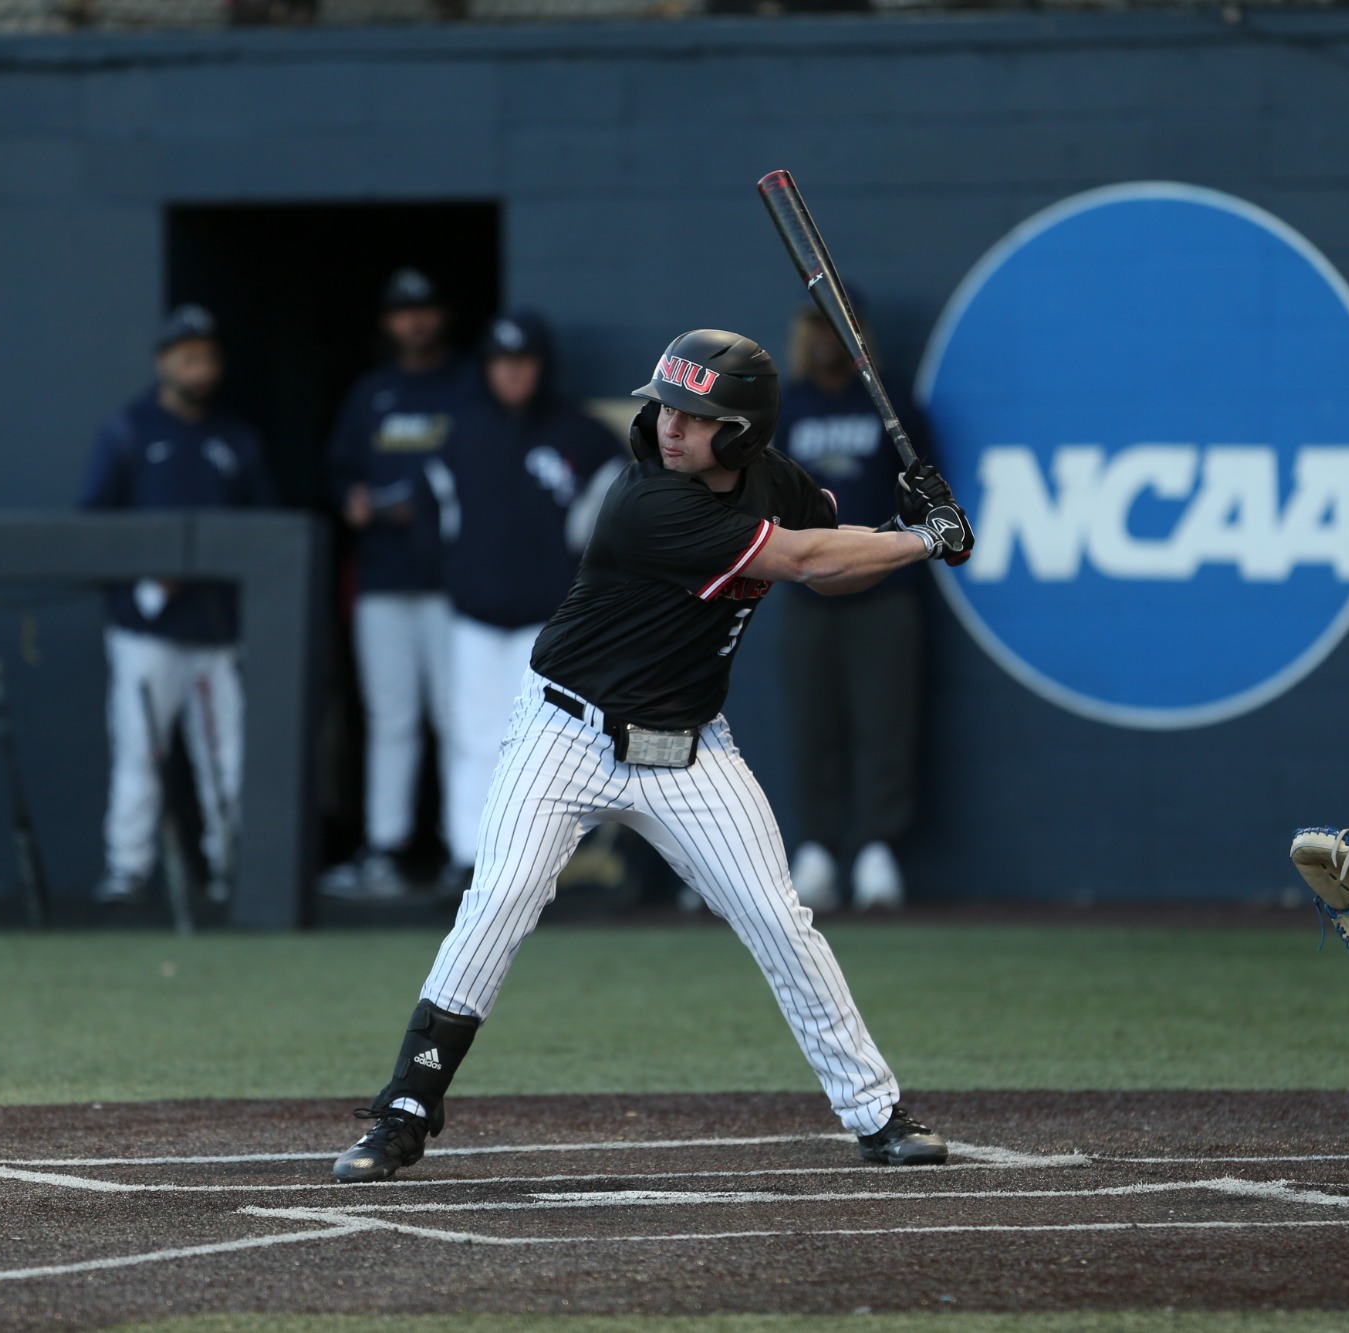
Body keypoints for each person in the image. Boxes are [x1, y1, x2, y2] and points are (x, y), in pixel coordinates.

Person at [331, 329, 974, 1183]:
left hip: (689, 749)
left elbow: (833, 570)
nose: (668, 425)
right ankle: (403, 1111)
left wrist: (899, 531)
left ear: (741, 431)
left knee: (781, 921)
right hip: (566, 731)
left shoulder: (773, 480)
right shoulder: (648, 503)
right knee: (501, 899)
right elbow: (804, 554)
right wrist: (923, 539)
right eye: (666, 405)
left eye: (694, 414)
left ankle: (877, 1114)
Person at [81, 304, 275, 907]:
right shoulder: (128, 431)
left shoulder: (234, 438)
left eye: (208, 358)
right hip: (147, 629)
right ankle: (128, 871)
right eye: (187, 357)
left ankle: (229, 871)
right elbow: (92, 526)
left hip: (216, 631)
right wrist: (145, 580)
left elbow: (267, 529)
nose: (200, 369)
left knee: (227, 759)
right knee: (139, 753)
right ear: (163, 362)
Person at [435, 311, 623, 893]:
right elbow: (440, 520)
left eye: (523, 363)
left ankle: (533, 863)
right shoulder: (462, 433)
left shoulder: (584, 435)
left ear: (541, 367)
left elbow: (610, 525)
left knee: (548, 745)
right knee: (471, 735)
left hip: (551, 619)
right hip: (474, 615)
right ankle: (469, 854)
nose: (512, 375)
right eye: (501, 363)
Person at [770, 303, 931, 912]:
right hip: (809, 594)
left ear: (860, 334)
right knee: (814, 726)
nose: (823, 339)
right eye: (812, 325)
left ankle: (875, 849)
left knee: (887, 725)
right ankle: (815, 847)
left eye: (836, 325)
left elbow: (927, 496)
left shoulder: (890, 410)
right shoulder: (793, 409)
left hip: (886, 595)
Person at [319, 269, 468, 900]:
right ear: (387, 322)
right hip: (382, 582)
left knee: (461, 720)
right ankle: (385, 847)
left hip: (449, 584)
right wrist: (354, 500)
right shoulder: (372, 394)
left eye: (425, 310)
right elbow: (337, 473)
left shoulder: (465, 386)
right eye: (403, 312)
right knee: (390, 719)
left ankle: (467, 851)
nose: (415, 322)